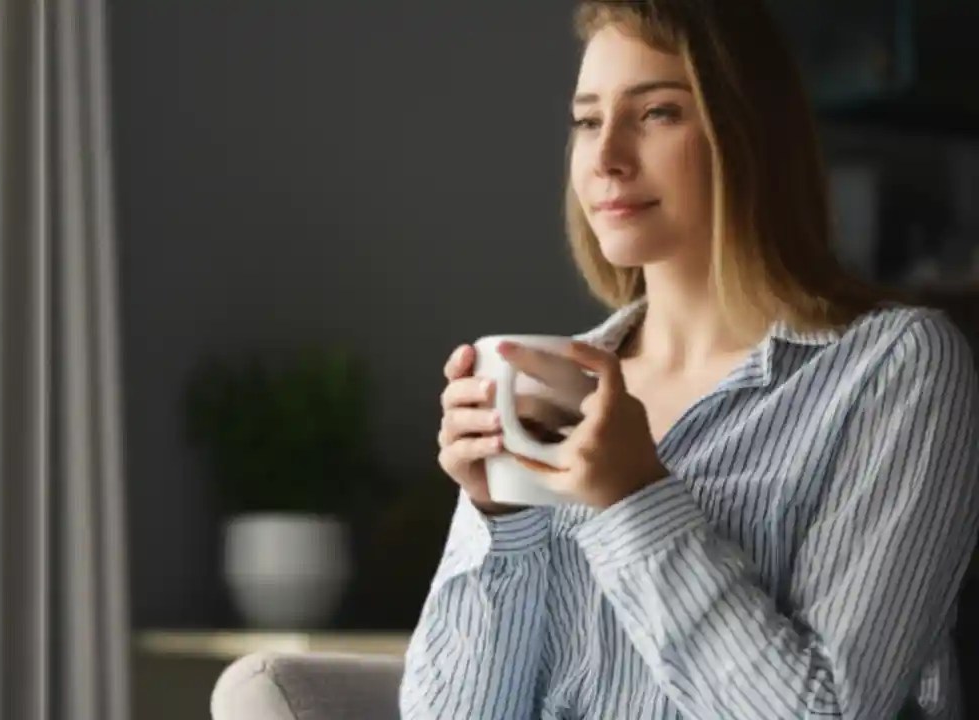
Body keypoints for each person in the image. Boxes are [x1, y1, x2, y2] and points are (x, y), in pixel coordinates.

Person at [400, 1, 979, 718]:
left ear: (749, 134)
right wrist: (499, 518)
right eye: (587, 120)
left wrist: (634, 498)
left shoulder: (896, 368)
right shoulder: (552, 390)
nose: (607, 155)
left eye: (657, 113)